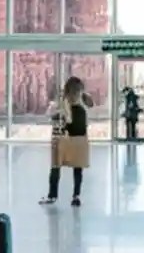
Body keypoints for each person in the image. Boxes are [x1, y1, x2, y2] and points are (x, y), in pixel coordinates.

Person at [42, 76, 92, 206]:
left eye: (78, 91)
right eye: (74, 91)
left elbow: (89, 107)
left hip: (79, 138)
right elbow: (52, 116)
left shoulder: (83, 102)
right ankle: (53, 195)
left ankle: (76, 195)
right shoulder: (62, 103)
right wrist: (59, 114)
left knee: (77, 168)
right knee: (56, 167)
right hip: (63, 139)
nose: (75, 94)